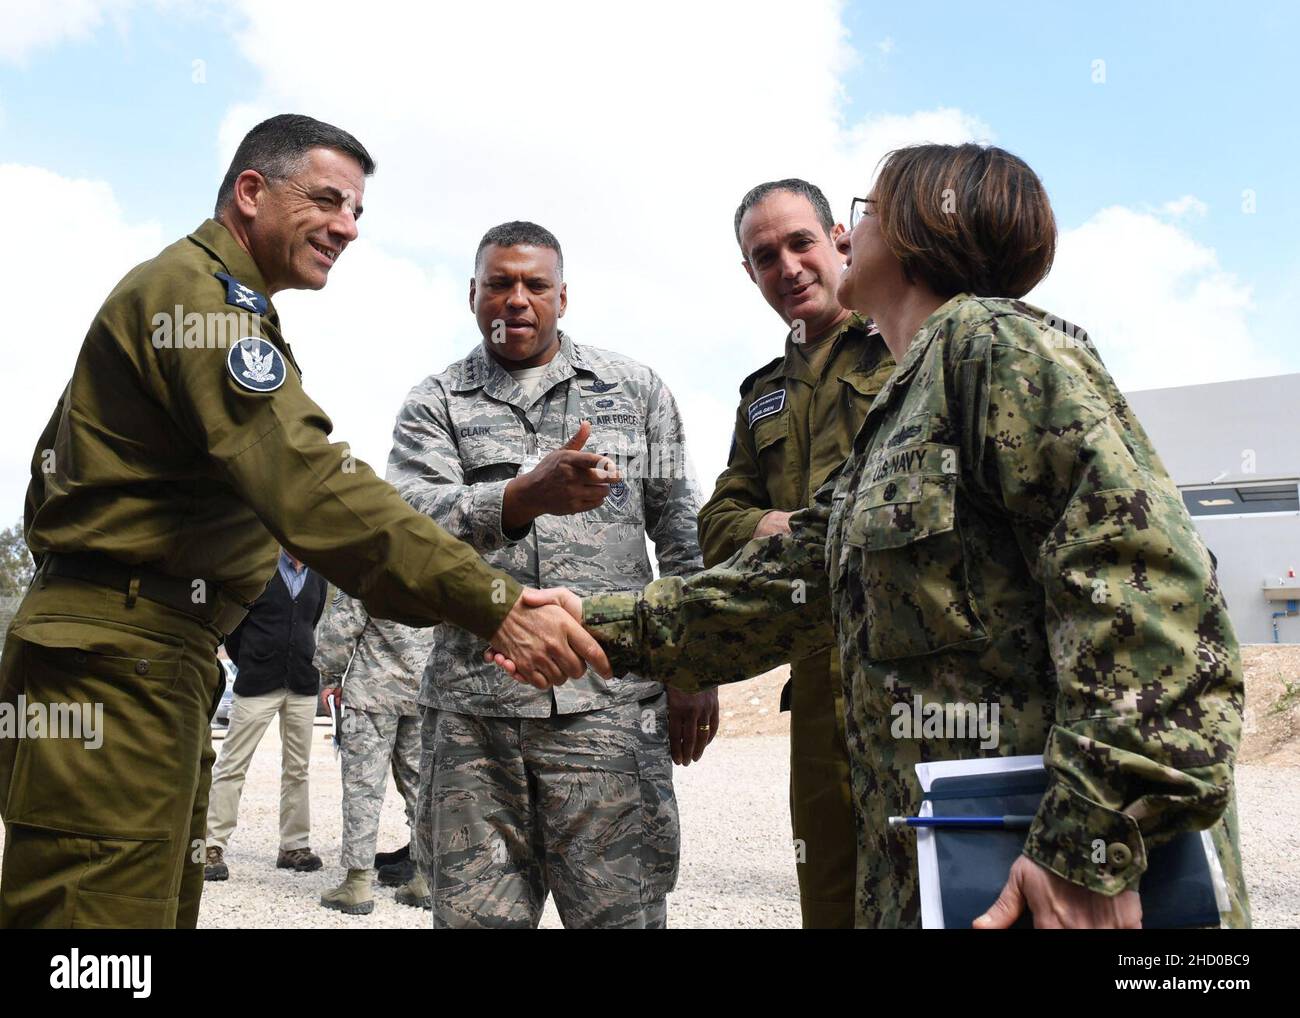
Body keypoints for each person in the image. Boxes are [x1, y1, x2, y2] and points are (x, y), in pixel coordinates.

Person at [500, 144, 1251, 930]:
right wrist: (588, 624)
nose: (846, 239)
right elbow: (774, 590)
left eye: (866, 215)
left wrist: (1090, 844)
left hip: (1055, 873)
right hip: (953, 860)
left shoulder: (995, 345)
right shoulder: (902, 411)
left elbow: (1149, 594)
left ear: (924, 232)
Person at [0, 114, 607, 930]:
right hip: (116, 663)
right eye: (327, 200)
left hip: (149, 655)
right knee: (92, 941)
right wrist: (493, 601)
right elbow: (314, 485)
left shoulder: (211, 302)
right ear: (251, 192)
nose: (348, 228)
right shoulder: (198, 303)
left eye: (357, 211)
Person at [389, 221, 716, 929]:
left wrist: (693, 666)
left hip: (610, 713)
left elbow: (680, 533)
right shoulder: (436, 402)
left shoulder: (634, 391)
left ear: (562, 296)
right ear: (472, 294)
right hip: (475, 723)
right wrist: (516, 498)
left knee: (621, 918)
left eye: (534, 285)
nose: (516, 299)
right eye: (499, 283)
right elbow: (407, 525)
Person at [698, 178, 894, 927]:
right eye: (764, 255)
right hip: (816, 682)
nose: (788, 267)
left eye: (801, 242)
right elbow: (718, 520)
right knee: (831, 896)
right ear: (750, 274)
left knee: (938, 882)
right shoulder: (760, 396)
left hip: (914, 674)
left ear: (840, 240)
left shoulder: (907, 341)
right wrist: (784, 528)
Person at [203, 549, 328, 881]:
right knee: (232, 764)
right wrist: (255, 658)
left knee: (298, 769)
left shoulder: (318, 575)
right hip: (258, 680)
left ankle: (294, 846)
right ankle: (211, 846)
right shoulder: (259, 568)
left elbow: (312, 621)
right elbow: (234, 631)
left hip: (302, 682)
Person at [315, 590, 431, 914]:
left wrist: (329, 676)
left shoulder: (369, 556)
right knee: (422, 786)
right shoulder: (433, 557)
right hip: (422, 691)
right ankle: (424, 877)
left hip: (371, 692)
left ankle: (358, 882)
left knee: (362, 789)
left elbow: (341, 624)